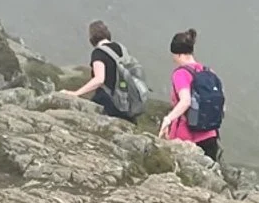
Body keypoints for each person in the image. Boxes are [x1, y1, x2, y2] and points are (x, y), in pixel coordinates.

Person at [160, 28, 225, 163]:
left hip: (188, 137)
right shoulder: (208, 71)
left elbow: (185, 101)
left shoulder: (181, 74)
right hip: (210, 136)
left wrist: (168, 119)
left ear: (177, 54)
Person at [65, 21, 144, 119]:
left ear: (92, 38)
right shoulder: (121, 49)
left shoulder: (98, 53)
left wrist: (76, 93)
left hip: (109, 103)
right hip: (127, 103)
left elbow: (99, 79)